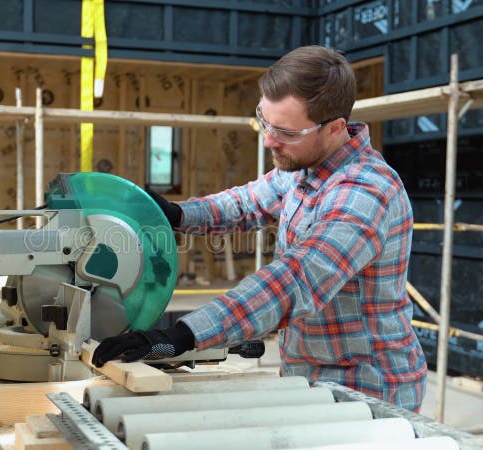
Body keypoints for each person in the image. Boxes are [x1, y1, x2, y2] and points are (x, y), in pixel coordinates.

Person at [92, 45, 427, 412]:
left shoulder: (365, 193)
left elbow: (293, 281)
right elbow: (245, 203)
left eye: (284, 131)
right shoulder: (306, 166)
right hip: (307, 376)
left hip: (367, 390)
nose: (269, 140)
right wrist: (176, 214)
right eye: (264, 122)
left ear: (334, 128)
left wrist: (183, 334)